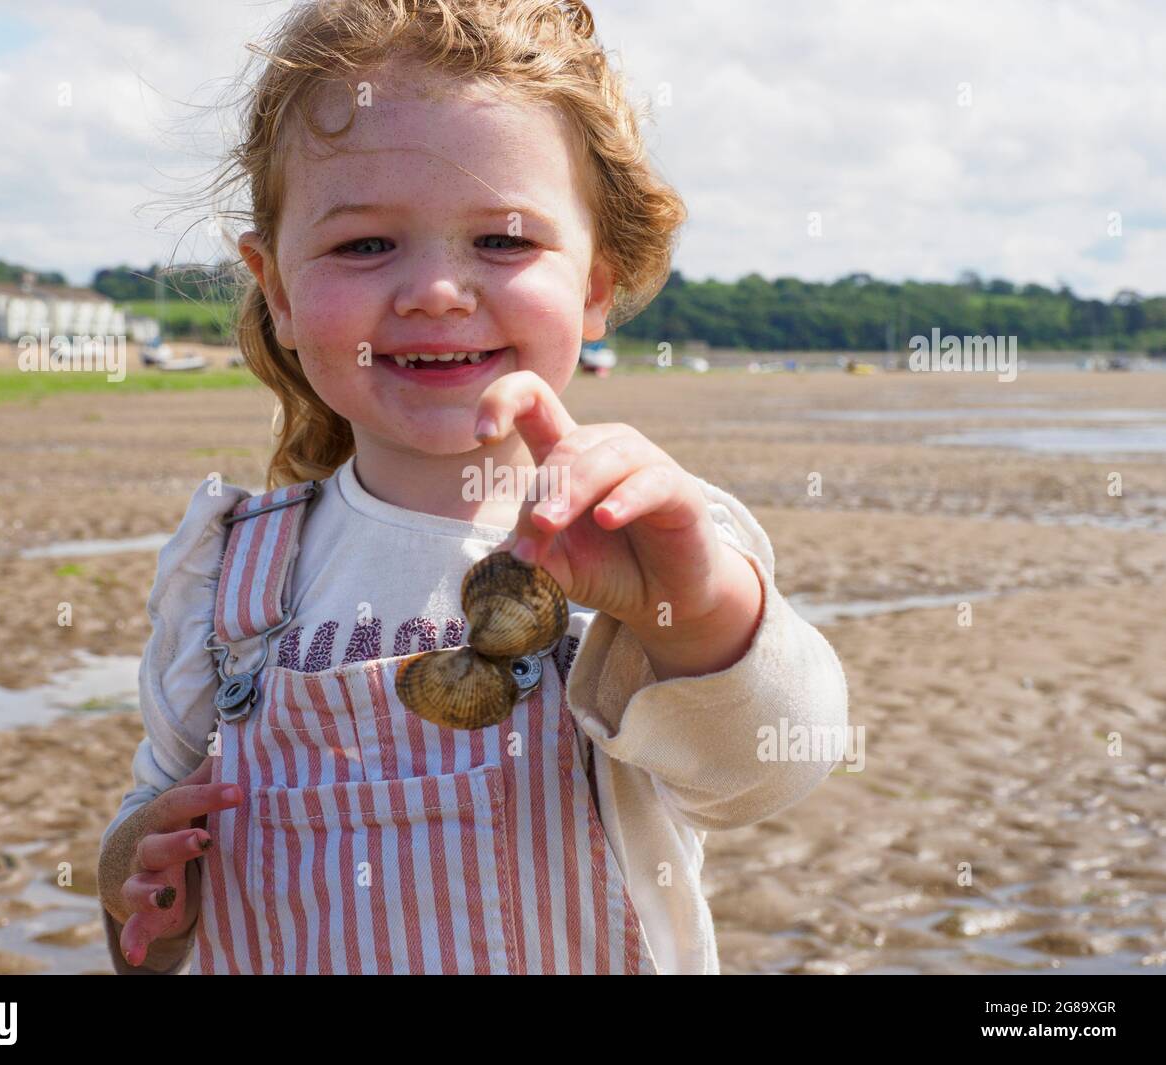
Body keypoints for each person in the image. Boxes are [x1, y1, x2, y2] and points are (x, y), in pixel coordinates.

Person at [97, 0, 848, 975]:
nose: (436, 292)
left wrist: (696, 608)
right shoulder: (226, 567)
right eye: (364, 245)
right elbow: (149, 868)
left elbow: (765, 774)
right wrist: (140, 880)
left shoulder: (651, 532)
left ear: (595, 284)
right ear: (276, 288)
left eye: (503, 241)